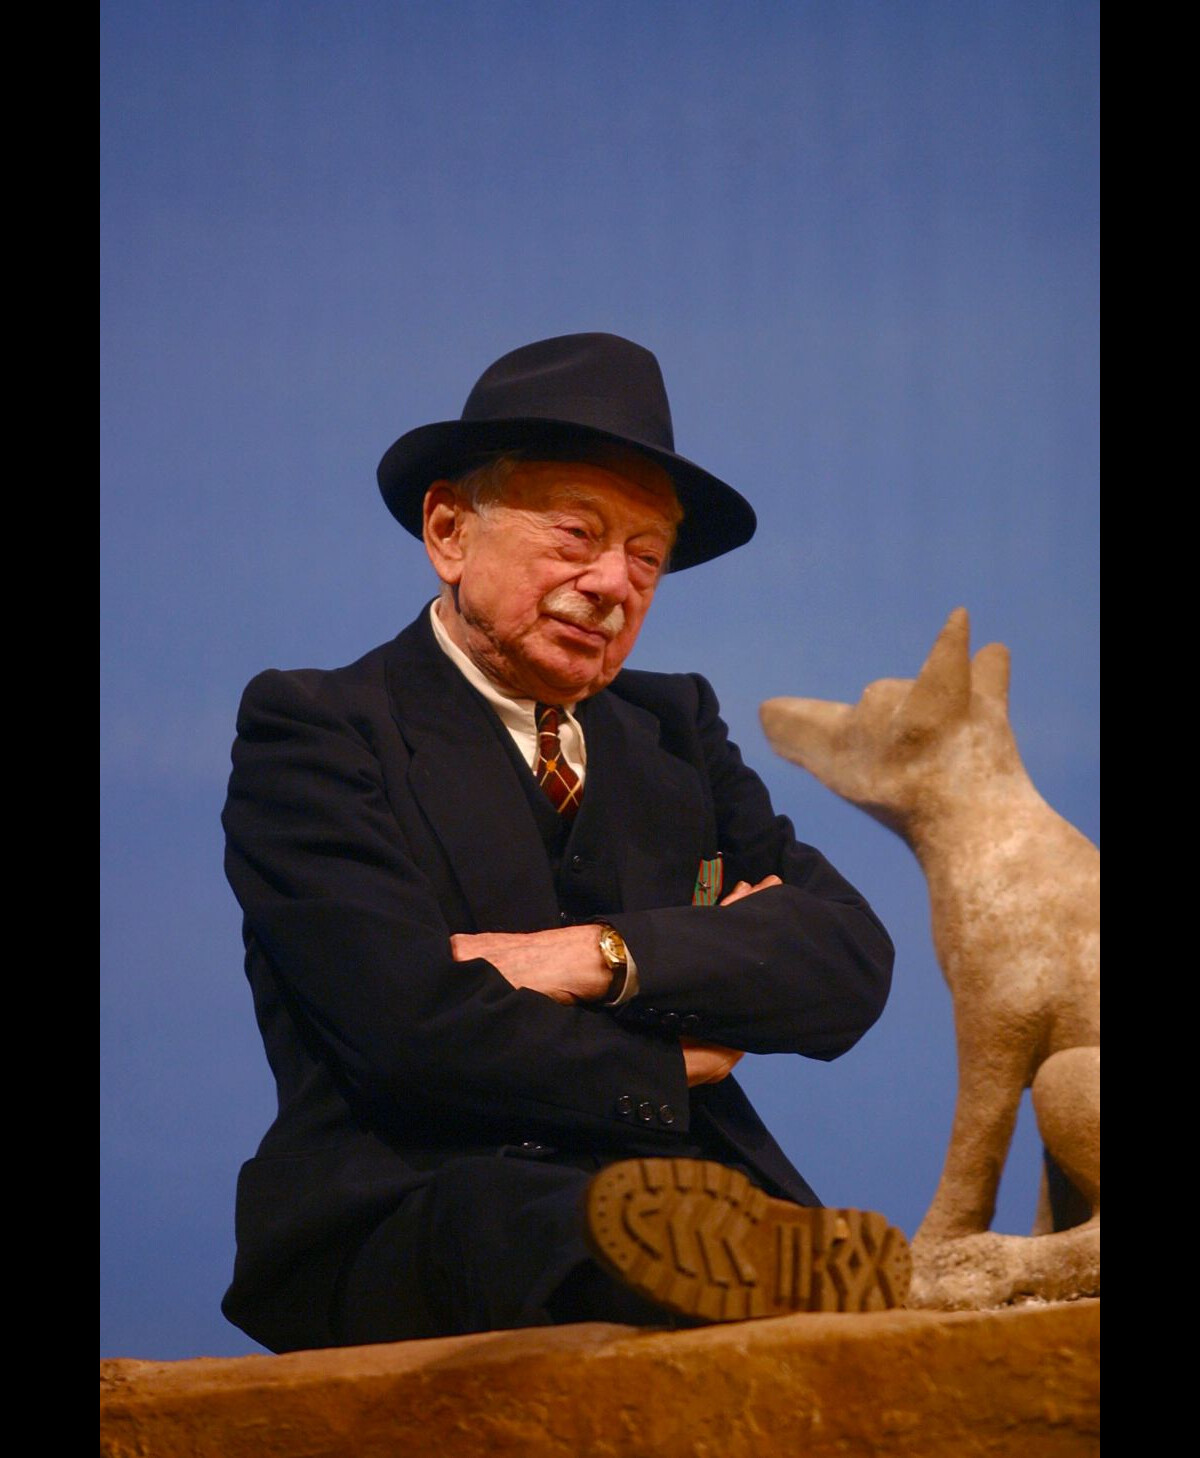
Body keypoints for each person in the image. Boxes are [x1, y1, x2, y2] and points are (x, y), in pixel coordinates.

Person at [221, 332, 909, 1354]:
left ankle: (742, 1263)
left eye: (647, 557)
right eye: (577, 533)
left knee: (761, 1266)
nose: (612, 584)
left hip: (697, 1194)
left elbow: (845, 961)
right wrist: (675, 1059)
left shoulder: (675, 729)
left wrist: (594, 958)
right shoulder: (317, 728)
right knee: (530, 1229)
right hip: (410, 1211)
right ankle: (710, 1263)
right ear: (450, 531)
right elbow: (409, 1030)